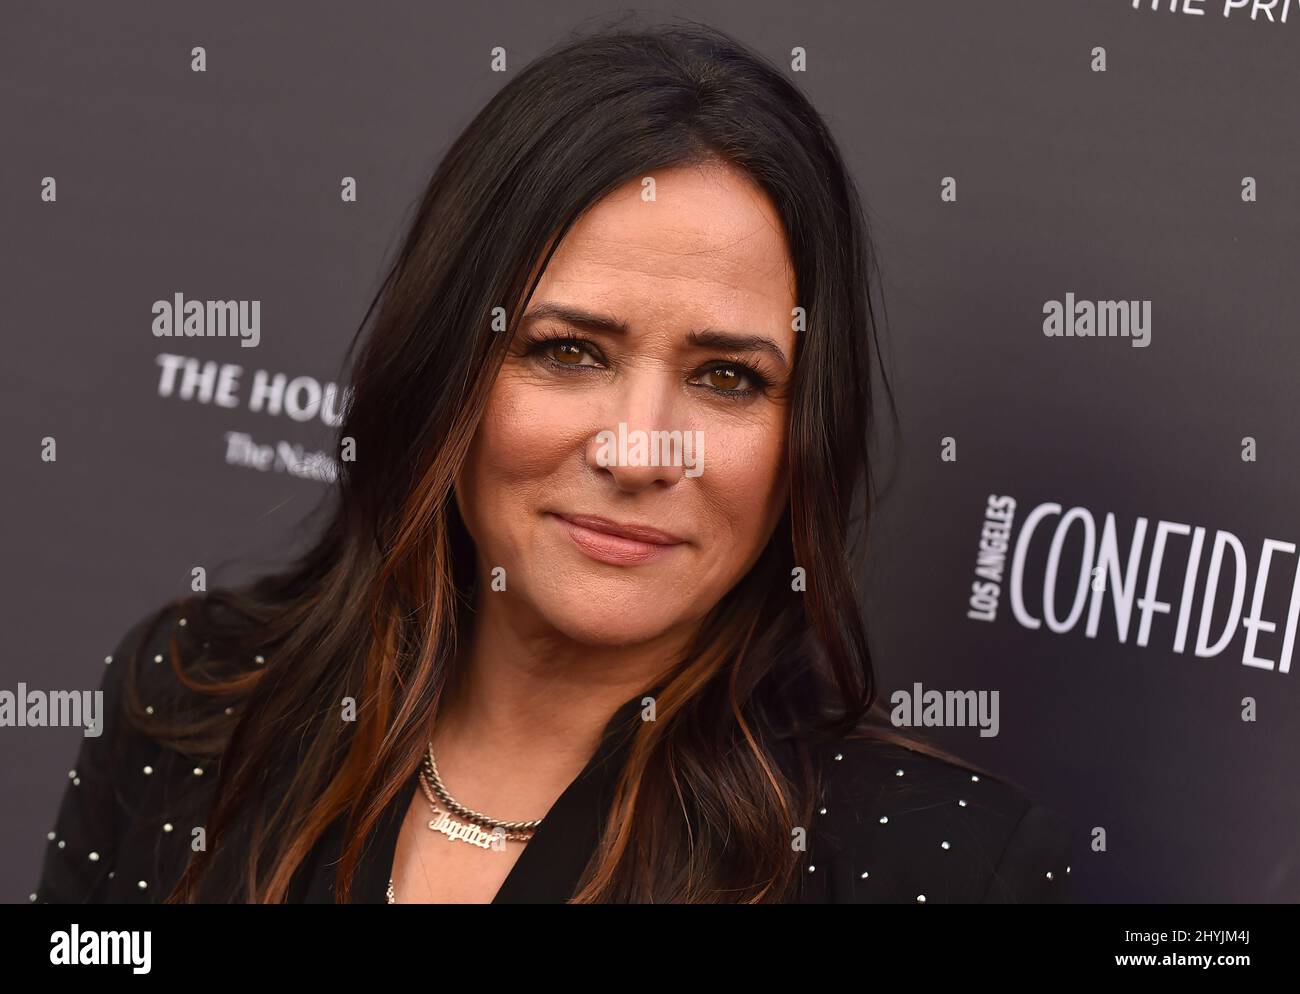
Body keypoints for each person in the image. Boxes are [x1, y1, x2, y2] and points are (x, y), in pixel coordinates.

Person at [34, 20, 1071, 905]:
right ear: (447, 367)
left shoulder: (936, 864)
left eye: (728, 378)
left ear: (807, 432)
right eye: (567, 352)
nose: (636, 449)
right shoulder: (193, 705)